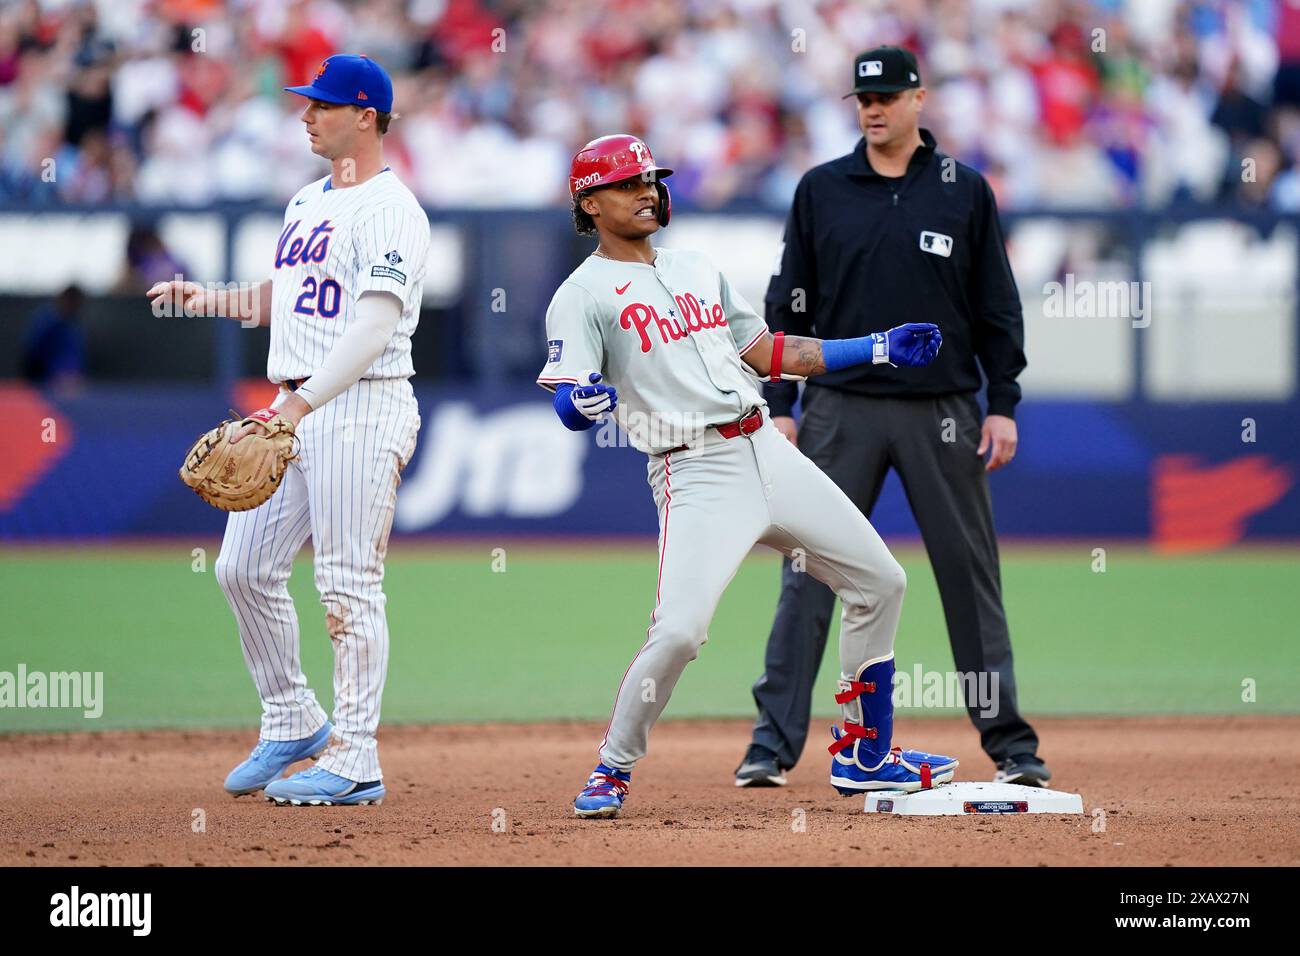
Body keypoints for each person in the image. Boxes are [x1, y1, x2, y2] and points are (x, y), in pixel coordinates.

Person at [539, 133, 955, 820]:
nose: (646, 190)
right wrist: (577, 403)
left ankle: (866, 753)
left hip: (767, 446)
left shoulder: (698, 266)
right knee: (679, 633)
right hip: (693, 468)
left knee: (881, 581)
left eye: (650, 177)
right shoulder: (580, 295)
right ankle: (614, 765)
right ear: (588, 203)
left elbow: (768, 352)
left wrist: (876, 347)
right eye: (625, 182)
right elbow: (570, 394)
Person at [734, 47, 1049, 790]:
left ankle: (1011, 746)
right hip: (840, 409)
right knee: (807, 575)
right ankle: (772, 747)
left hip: (942, 409)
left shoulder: (964, 192)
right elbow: (790, 303)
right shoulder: (821, 190)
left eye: (888, 95)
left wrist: (1002, 402)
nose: (873, 108)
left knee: (969, 579)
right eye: (863, 98)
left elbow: (997, 308)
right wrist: (780, 406)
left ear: (919, 99)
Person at [148, 54, 430, 806]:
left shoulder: (394, 209)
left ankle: (356, 756)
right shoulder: (307, 201)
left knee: (347, 584)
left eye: (321, 106)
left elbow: (373, 326)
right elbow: (290, 298)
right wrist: (205, 300)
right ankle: (293, 717)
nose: (305, 116)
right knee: (242, 569)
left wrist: (297, 411)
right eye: (305, 105)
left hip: (361, 405)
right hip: (293, 405)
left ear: (365, 116)